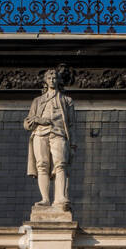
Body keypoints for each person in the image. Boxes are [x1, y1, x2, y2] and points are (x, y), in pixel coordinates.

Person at [24, 68, 76, 210]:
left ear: (59, 81)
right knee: (42, 166)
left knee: (60, 165)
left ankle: (60, 198)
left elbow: (71, 125)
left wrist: (73, 146)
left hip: (59, 133)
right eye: (49, 78)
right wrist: (39, 120)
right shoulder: (38, 101)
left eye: (54, 78)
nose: (52, 80)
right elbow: (27, 123)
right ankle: (45, 199)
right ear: (45, 81)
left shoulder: (67, 101)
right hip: (40, 134)